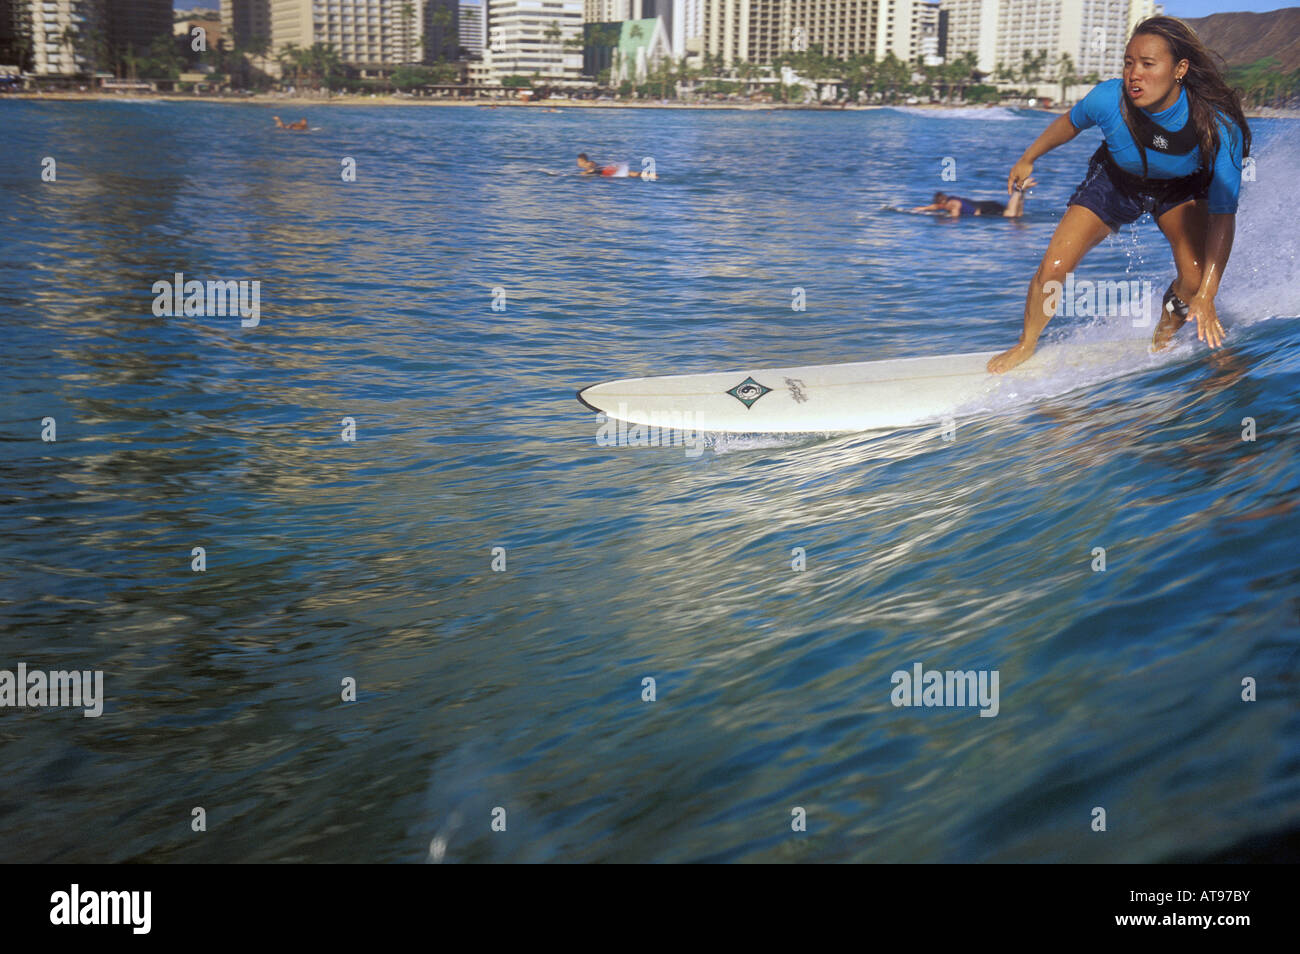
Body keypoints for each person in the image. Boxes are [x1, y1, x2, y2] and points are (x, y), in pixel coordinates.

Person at [988, 16, 1248, 374]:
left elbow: (1223, 215)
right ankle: (1025, 343)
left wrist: (1208, 293)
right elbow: (1069, 123)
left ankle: (1163, 339)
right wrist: (1028, 158)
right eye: (1128, 63)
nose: (1134, 74)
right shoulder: (1109, 98)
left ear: (1180, 69)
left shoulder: (1218, 127)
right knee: (1054, 267)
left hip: (1178, 190)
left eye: (1147, 64)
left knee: (1193, 278)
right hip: (1115, 181)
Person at [911, 181, 1036, 218]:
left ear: (942, 202)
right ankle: (1022, 191)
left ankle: (1018, 190)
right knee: (1018, 215)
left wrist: (944, 218)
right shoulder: (948, 200)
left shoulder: (953, 204)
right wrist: (921, 209)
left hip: (984, 210)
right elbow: (935, 207)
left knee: (1010, 215)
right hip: (986, 205)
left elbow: (954, 218)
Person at [577, 153, 656, 179]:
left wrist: (585, 173)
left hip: (607, 170)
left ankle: (650, 175)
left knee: (630, 174)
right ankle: (650, 175)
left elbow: (592, 169)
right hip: (608, 169)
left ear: (582, 161)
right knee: (630, 173)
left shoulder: (589, 164)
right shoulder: (590, 163)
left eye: (578, 162)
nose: (578, 164)